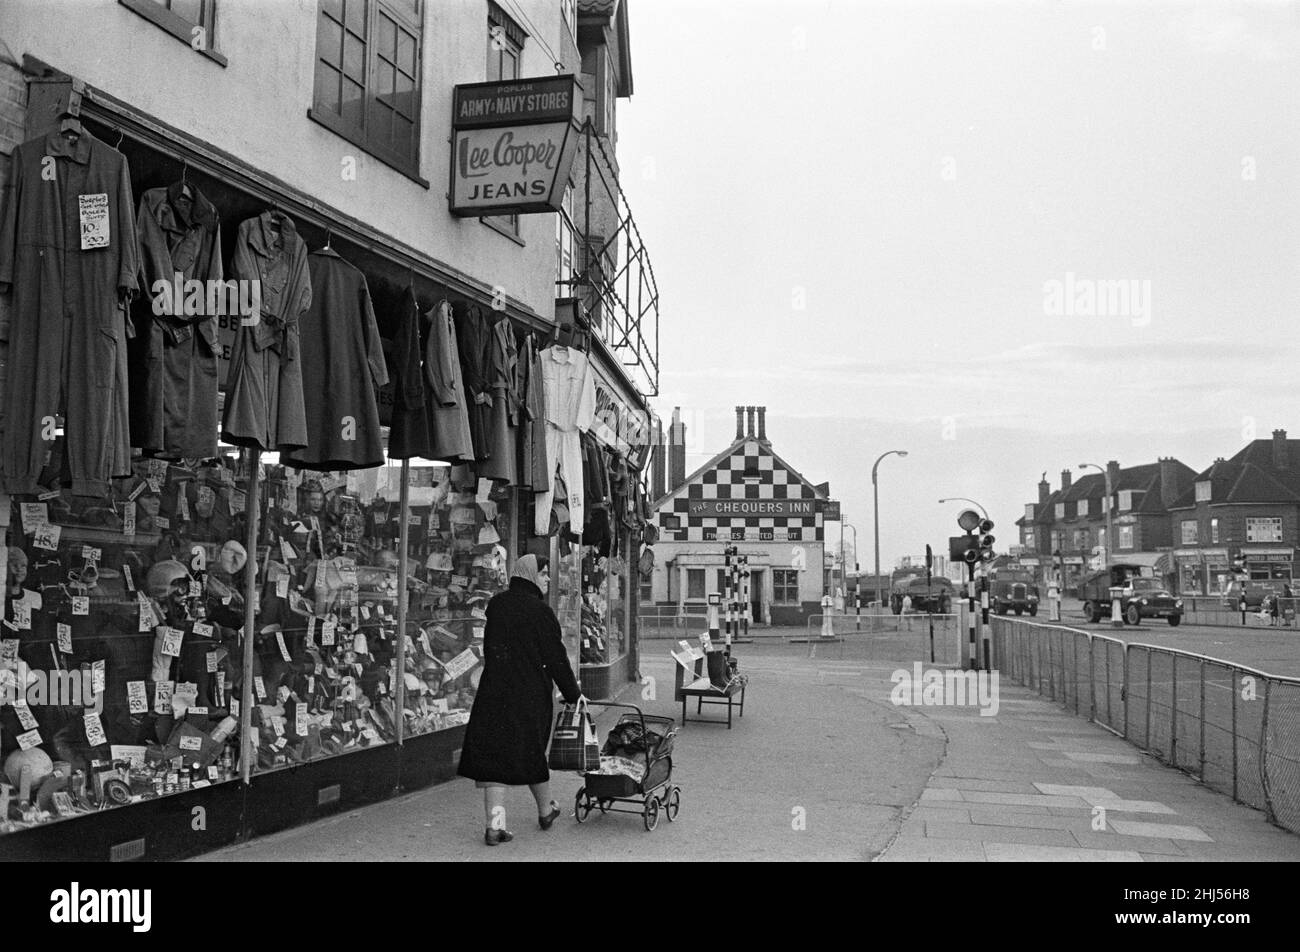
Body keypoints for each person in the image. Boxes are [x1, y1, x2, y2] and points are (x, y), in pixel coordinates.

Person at [457, 554, 584, 845]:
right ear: (530, 575)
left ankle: (495, 826)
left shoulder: (497, 604)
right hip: (529, 694)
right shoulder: (541, 612)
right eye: (544, 573)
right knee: (530, 752)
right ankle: (545, 810)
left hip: (493, 693)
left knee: (494, 760)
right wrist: (573, 694)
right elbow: (555, 659)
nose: (548, 578)